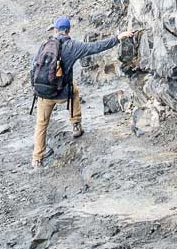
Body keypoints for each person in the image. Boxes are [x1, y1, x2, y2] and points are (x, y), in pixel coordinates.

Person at [30, 16, 138, 168]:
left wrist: (36, 89)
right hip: (62, 93)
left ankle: (36, 159)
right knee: (74, 90)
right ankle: (76, 125)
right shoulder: (73, 46)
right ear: (69, 30)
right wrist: (117, 38)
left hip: (43, 94)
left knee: (41, 124)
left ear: (55, 30)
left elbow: (33, 68)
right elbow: (95, 47)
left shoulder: (45, 44)